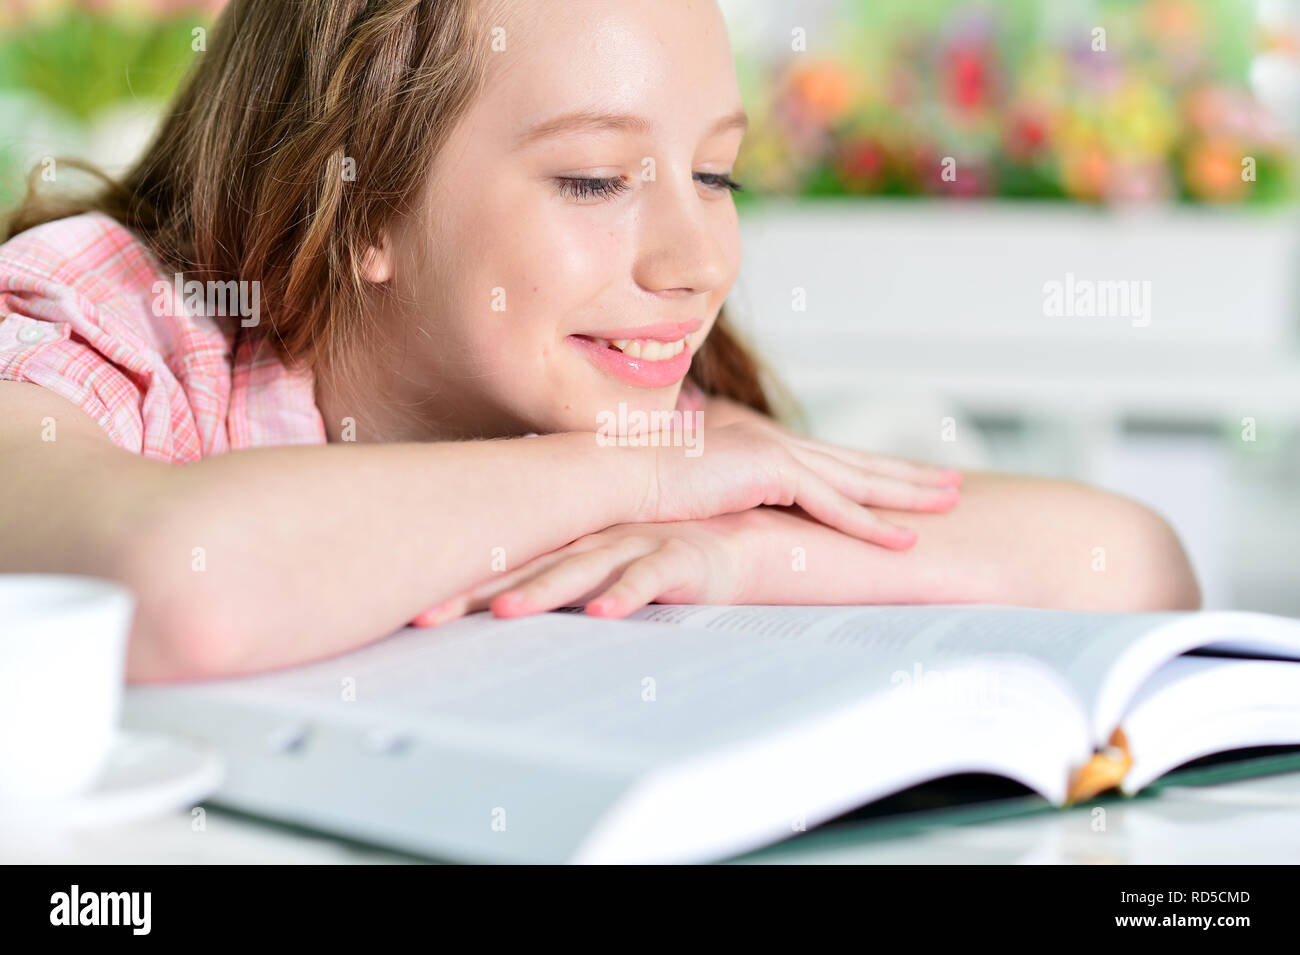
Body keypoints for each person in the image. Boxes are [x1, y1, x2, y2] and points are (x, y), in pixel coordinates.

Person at [0, 0, 1199, 683]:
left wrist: (732, 554)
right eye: (589, 180)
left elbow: (1125, 567)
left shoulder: (604, 400)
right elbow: (168, 592)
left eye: (716, 171)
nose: (695, 265)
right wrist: (631, 475)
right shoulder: (110, 325)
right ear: (360, 202)